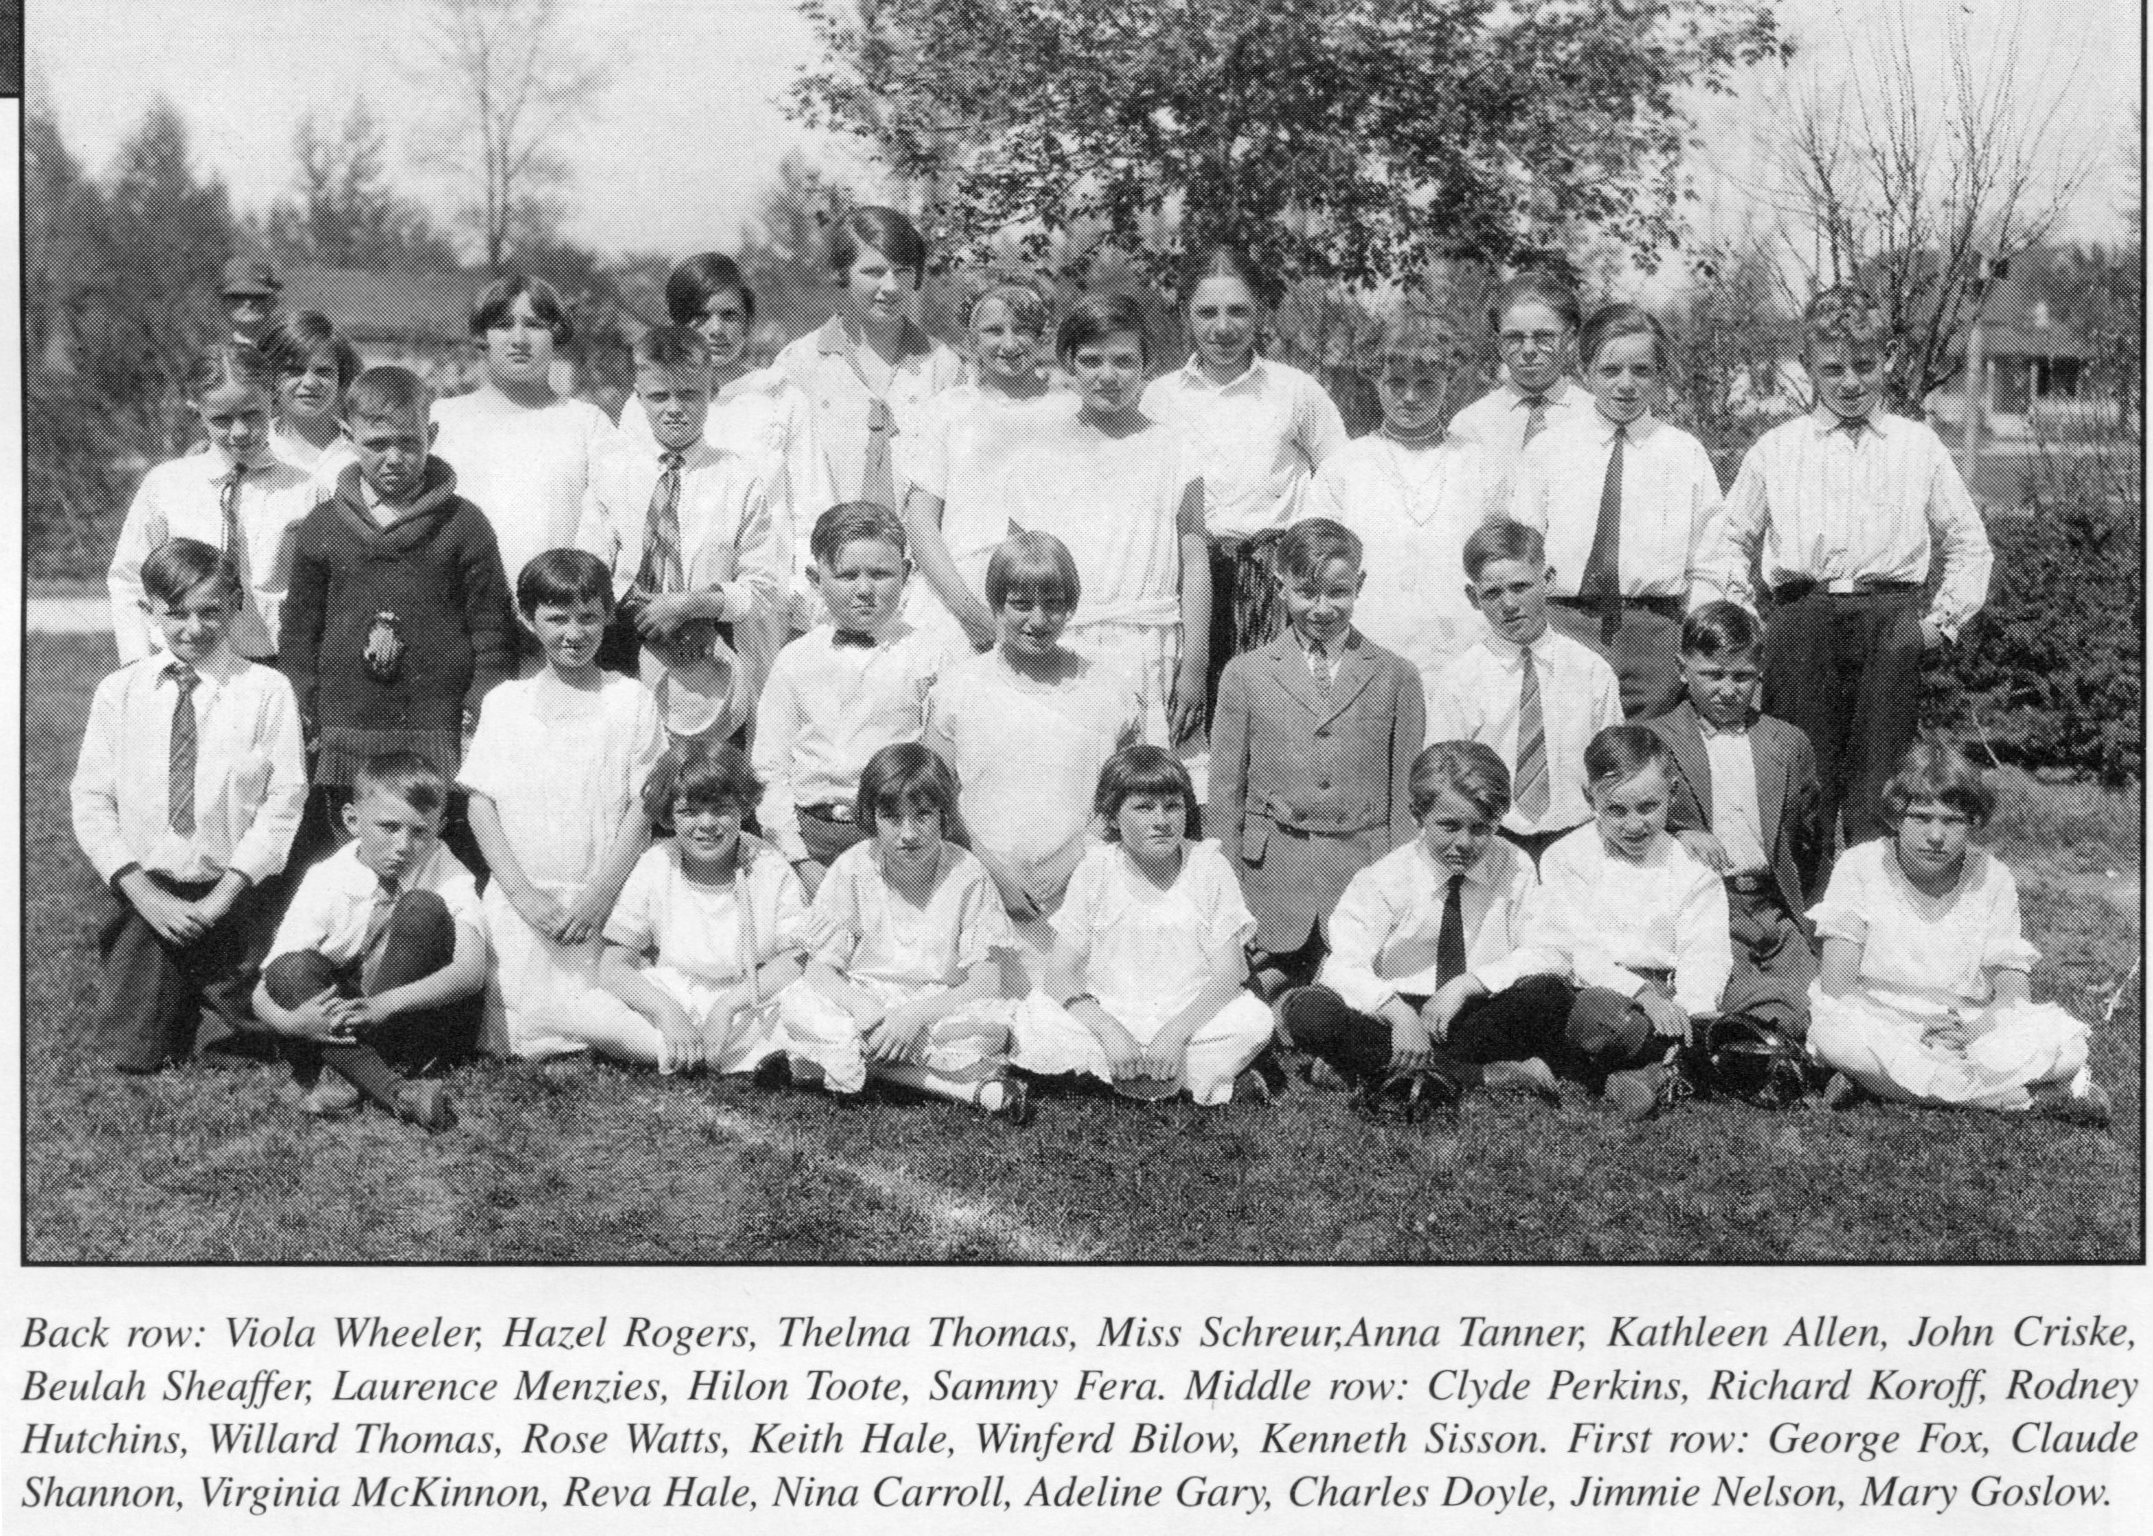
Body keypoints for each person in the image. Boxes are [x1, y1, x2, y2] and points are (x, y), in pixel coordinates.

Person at [1693, 284, 1993, 855]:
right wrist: (1750, 620)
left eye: (1864, 365)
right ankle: (1801, 929)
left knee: (1880, 788)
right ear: (1808, 368)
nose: (1851, 382)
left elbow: (1968, 542)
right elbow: (1727, 538)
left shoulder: (1918, 445)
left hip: (1891, 621)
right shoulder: (1778, 449)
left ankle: (1868, 929)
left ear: (1888, 361)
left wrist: (1939, 623)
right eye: (1834, 369)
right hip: (1801, 621)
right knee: (1802, 782)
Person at [70, 539, 306, 1073]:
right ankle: (163, 998)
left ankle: (221, 1007)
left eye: (210, 613)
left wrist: (224, 895)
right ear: (148, 610)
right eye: (176, 614)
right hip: (146, 896)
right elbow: (91, 800)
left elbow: (283, 803)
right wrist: (142, 893)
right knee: (133, 1057)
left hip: (235, 893)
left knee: (255, 1040)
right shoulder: (120, 692)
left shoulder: (266, 689)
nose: (194, 628)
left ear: (237, 606)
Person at [279, 366, 515, 867]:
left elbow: (492, 630)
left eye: (408, 443)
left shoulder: (464, 524)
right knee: (353, 864)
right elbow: (300, 630)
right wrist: (304, 703)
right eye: (377, 443)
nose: (393, 458)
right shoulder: (322, 526)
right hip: (346, 729)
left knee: (432, 861)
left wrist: (483, 709)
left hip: (436, 730)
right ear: (347, 438)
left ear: (430, 435)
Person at [1805, 741, 2110, 1124]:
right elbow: (1838, 985)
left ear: (1973, 822)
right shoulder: (1860, 866)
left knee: (2069, 1047)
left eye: (1951, 821)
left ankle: (1882, 1085)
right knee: (1837, 1032)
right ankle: (2014, 1099)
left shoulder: (1993, 876)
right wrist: (1912, 1026)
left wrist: (1973, 1031)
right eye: (1921, 818)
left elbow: (2014, 993)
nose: (1935, 836)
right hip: (1880, 1015)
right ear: (1897, 817)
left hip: (1966, 1025)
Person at [1279, 742, 1573, 1114]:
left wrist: (1467, 984)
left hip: (1474, 1013)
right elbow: (1344, 965)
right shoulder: (1384, 879)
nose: (1464, 843)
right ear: (1417, 816)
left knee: (1551, 994)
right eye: (1448, 826)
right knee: (1309, 1011)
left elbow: (1548, 951)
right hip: (1393, 1015)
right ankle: (1486, 1075)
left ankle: (1372, 1071)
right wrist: (1398, 1014)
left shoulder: (1515, 865)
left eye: (1481, 829)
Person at [460, 549, 667, 1060]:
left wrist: (599, 899)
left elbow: (643, 809)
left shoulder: (631, 700)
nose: (574, 632)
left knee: (607, 1017)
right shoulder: (505, 703)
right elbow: (481, 807)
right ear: (528, 620)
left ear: (607, 617)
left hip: (601, 897)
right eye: (557, 618)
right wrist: (525, 897)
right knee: (518, 1034)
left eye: (588, 617)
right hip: (523, 899)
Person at [1210, 518, 1425, 1000]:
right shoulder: (1245, 673)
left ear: (1360, 586)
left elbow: (1405, 803)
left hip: (1359, 867)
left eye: (1338, 593)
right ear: (1280, 583)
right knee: (1247, 988)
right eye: (1306, 593)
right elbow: (1226, 791)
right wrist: (1226, 884)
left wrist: (1400, 883)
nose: (1322, 608)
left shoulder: (1397, 675)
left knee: (1356, 984)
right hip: (1274, 874)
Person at [1142, 243, 1347, 718]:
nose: (1222, 327)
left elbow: (1341, 478)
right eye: (1206, 312)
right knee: (1188, 710)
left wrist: (1306, 557)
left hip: (1274, 579)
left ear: (1260, 314)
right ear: (1185, 316)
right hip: (1188, 575)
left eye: (1238, 311)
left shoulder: (1295, 389)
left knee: (1275, 712)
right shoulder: (1159, 397)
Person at [774, 743, 1029, 1122]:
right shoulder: (853, 867)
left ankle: (836, 1066)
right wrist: (869, 1013)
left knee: (985, 1029)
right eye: (892, 817)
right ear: (872, 816)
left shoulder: (968, 873)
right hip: (869, 1001)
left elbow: (984, 984)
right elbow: (820, 970)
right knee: (798, 1003)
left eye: (923, 815)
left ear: (944, 814)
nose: (908, 833)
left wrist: (912, 1017)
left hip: (935, 1007)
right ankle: (967, 1090)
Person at [1003, 292, 1211, 751]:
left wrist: (1195, 662)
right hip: (1060, 641)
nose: (1108, 376)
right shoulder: (1036, 453)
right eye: (1092, 361)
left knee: (1149, 787)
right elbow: (1016, 565)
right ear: (1068, 364)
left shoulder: (1174, 449)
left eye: (1124, 361)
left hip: (1149, 644)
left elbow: (1195, 559)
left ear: (1146, 366)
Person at [1012, 746, 1277, 1106]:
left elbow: (1230, 972)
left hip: (1188, 1013)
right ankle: (1196, 1080)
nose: (1161, 820)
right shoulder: (1095, 870)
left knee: (1253, 1020)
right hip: (1113, 1010)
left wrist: (1176, 1033)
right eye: (1143, 808)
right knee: (1036, 1017)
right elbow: (1059, 973)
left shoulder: (1208, 867)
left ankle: (1104, 1079)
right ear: (1113, 816)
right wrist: (1108, 1029)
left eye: (1173, 806)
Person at [926, 532, 1142, 970]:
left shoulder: (1108, 689)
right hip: (982, 888)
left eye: (1054, 604)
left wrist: (1071, 860)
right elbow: (934, 795)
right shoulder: (958, 688)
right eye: (1021, 604)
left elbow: (1127, 794)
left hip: (1082, 890)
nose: (1038, 620)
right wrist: (994, 870)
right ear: (995, 604)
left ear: (1072, 606)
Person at [250, 752, 482, 1131]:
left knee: (422, 906)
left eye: (420, 831)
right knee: (292, 966)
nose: (404, 845)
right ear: (352, 820)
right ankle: (398, 1091)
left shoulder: (446, 868)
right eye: (389, 827)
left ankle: (347, 1072)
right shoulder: (326, 877)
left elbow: (471, 972)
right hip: (338, 1008)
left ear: (439, 827)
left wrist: (383, 1004)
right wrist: (291, 1023)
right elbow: (268, 983)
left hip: (408, 1016)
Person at [1512, 301, 1720, 720]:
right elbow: (1521, 552)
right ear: (1585, 371)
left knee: (1651, 755)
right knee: (1568, 750)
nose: (1626, 385)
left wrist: (1697, 641)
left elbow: (1711, 559)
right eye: (1610, 371)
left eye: (1641, 371)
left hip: (1654, 636)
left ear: (1660, 375)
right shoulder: (1549, 450)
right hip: (1566, 625)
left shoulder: (1683, 453)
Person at [577, 324, 782, 741]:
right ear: (638, 397)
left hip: (706, 646)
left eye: (688, 394)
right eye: (659, 396)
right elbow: (588, 566)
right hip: (623, 640)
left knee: (703, 781)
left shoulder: (738, 479)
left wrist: (690, 604)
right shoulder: (612, 469)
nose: (674, 409)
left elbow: (762, 588)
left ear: (710, 392)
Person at [1523, 725, 1733, 1121]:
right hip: (1600, 989)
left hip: (1670, 994)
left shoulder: (1691, 866)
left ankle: (1642, 1070)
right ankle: (1674, 1064)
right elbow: (1576, 952)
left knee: (1736, 1015)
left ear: (1672, 793)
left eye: (1648, 807)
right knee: (1596, 1014)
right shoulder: (1566, 857)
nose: (1634, 824)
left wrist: (1689, 1011)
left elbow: (1705, 950)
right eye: (1616, 810)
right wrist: (1641, 994)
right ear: (1591, 799)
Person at [752, 503, 951, 897]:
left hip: (898, 836)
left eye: (880, 574)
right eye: (846, 575)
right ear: (815, 578)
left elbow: (941, 763)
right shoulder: (795, 659)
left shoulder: (930, 655)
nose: (864, 590)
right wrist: (798, 858)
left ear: (907, 574)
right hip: (812, 837)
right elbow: (769, 768)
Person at [620, 253, 820, 639]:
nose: (716, 330)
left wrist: (799, 599)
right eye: (700, 317)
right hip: (665, 606)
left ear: (747, 321)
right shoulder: (646, 405)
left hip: (761, 605)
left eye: (729, 316)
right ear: (678, 323)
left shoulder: (780, 398)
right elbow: (627, 505)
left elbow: (810, 509)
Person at [1307, 304, 1500, 700]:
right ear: (1377, 377)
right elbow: (1316, 569)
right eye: (1396, 382)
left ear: (1448, 377)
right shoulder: (1345, 465)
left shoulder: (1478, 463)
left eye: (1426, 383)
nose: (1410, 397)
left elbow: (1500, 560)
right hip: (1367, 655)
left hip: (1462, 653)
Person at [586, 741, 808, 1074]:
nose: (706, 824)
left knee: (811, 1009)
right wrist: (668, 1014)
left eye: (720, 810)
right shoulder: (657, 862)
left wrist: (727, 1006)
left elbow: (797, 959)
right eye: (689, 812)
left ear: (743, 808)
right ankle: (699, 1051)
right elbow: (614, 964)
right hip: (677, 997)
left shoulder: (768, 865)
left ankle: (701, 1055)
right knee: (591, 1010)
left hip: (747, 1000)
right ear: (669, 814)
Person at [1647, 602, 1824, 1010]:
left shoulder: (1788, 741)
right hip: (1708, 909)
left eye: (1742, 676)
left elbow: (1809, 839)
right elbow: (1629, 821)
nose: (1728, 689)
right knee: (1739, 999)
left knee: (1820, 999)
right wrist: (1680, 833)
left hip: (1772, 905)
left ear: (1759, 674)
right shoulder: (1654, 739)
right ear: (1682, 669)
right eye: (1712, 675)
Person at [1427, 519, 1622, 864]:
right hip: (1491, 841)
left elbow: (1614, 771)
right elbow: (1443, 781)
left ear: (1547, 580)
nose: (1509, 604)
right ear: (1473, 597)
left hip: (1579, 841)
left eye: (1520, 587)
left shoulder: (1591, 672)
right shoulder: (1459, 680)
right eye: (1492, 593)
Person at [108, 343, 316, 664]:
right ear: (197, 412)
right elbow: (128, 578)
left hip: (272, 662)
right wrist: (136, 660)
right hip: (184, 663)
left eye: (252, 414)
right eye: (221, 419)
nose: (240, 431)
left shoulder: (305, 489)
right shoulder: (166, 484)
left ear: (273, 403)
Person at [899, 269, 1070, 652]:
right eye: (994, 331)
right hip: (958, 597)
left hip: (1046, 602)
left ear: (1043, 335)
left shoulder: (1069, 410)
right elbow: (922, 521)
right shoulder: (948, 411)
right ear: (971, 339)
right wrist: (970, 612)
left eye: (1023, 329)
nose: (1009, 343)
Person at [430, 274, 623, 599]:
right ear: (482, 336)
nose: (519, 339)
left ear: (556, 333)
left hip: (557, 618)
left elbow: (606, 528)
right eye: (504, 325)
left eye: (534, 325)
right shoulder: (443, 418)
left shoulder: (587, 424)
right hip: (458, 613)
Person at [770, 207, 965, 525]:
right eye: (874, 272)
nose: (890, 287)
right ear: (842, 274)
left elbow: (960, 489)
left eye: (902, 271)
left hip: (919, 567)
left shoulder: (944, 368)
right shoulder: (798, 366)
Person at [1449, 270, 1592, 504]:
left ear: (1570, 340)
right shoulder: (1471, 425)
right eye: (1513, 337)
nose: (1528, 351)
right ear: (1498, 343)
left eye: (1544, 337)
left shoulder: (1595, 418)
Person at [260, 310, 363, 490]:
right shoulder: (253, 447)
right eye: (294, 370)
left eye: (323, 372)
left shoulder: (361, 453)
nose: (310, 382)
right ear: (271, 376)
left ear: (341, 377)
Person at [219, 256, 282, 348]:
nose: (248, 303)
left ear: (273, 302)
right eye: (238, 296)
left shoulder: (287, 350)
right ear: (224, 303)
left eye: (259, 296)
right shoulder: (217, 356)